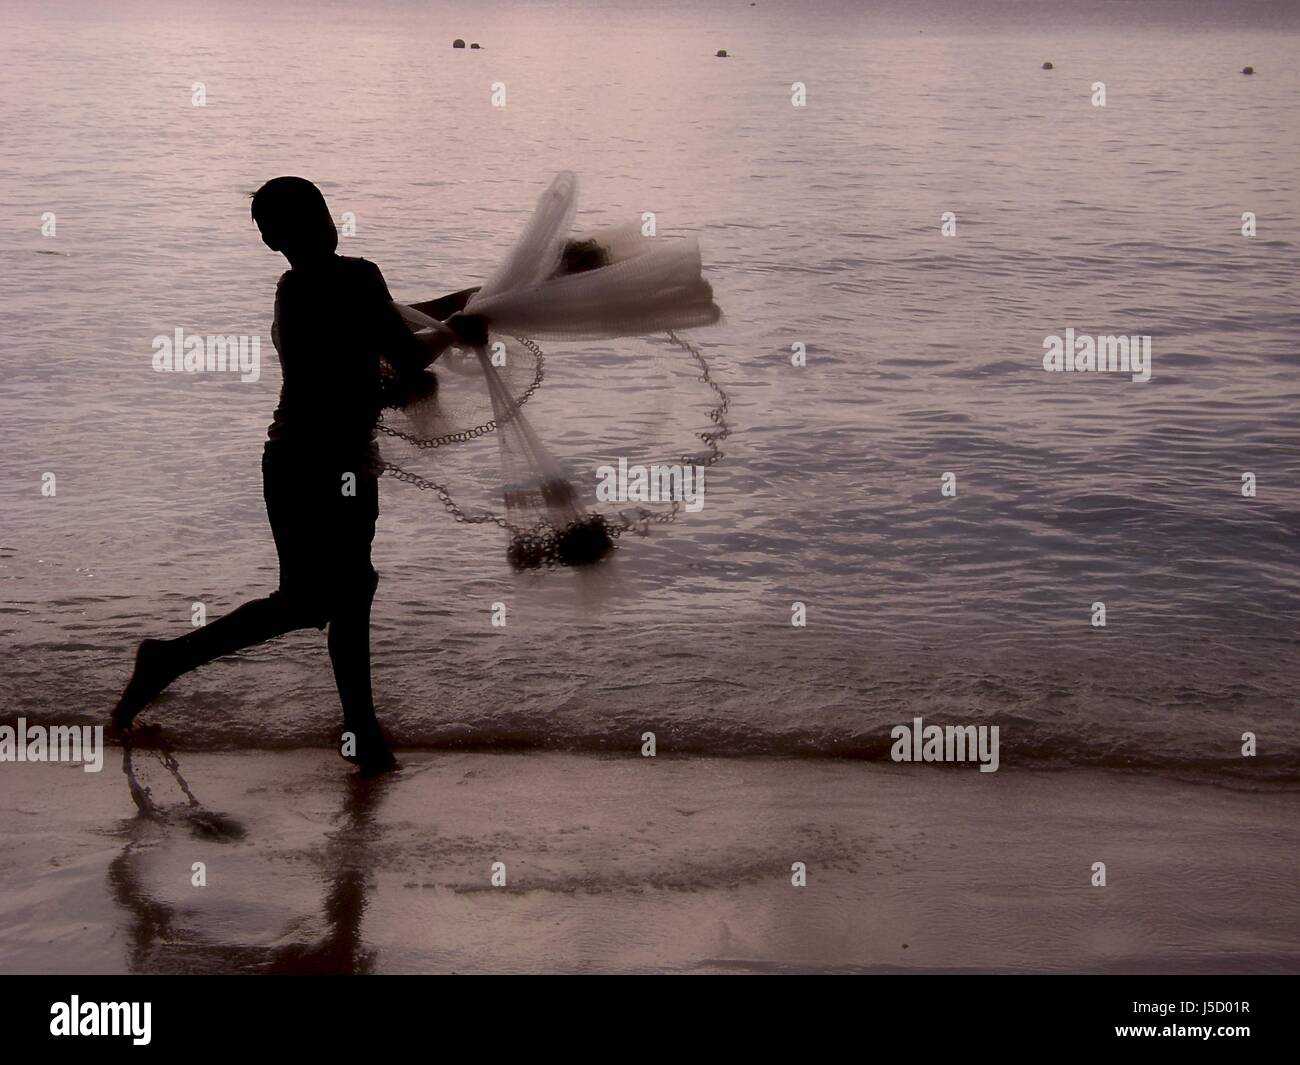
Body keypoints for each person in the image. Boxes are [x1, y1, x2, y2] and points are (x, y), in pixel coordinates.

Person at [111, 176, 486, 776]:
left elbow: (384, 323)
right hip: (326, 464)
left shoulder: (298, 289)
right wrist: (454, 330)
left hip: (296, 462)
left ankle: (359, 731)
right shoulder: (354, 277)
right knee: (320, 598)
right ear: (290, 233)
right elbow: (405, 351)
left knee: (339, 592)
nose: (326, 224)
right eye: (314, 217)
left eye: (322, 213)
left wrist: (464, 305)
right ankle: (171, 659)